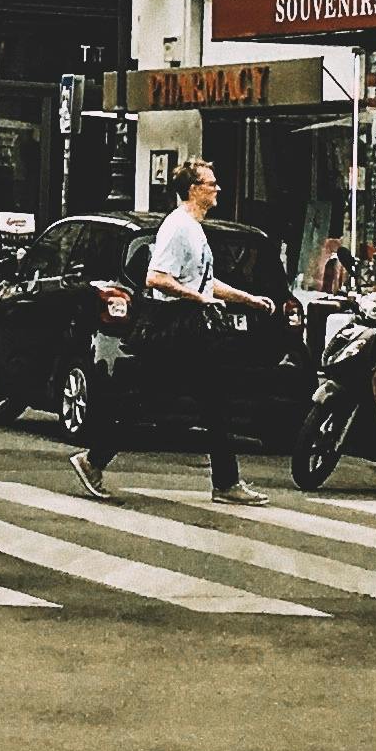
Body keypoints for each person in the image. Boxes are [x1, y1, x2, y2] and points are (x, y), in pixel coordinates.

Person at [70, 157, 269, 509]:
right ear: (194, 190)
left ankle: (225, 481)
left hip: (186, 323)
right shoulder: (178, 227)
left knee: (199, 401)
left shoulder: (194, 228)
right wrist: (199, 299)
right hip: (174, 324)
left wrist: (247, 299)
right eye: (211, 184)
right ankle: (94, 460)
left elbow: (204, 282)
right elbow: (156, 277)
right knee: (160, 401)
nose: (217, 188)